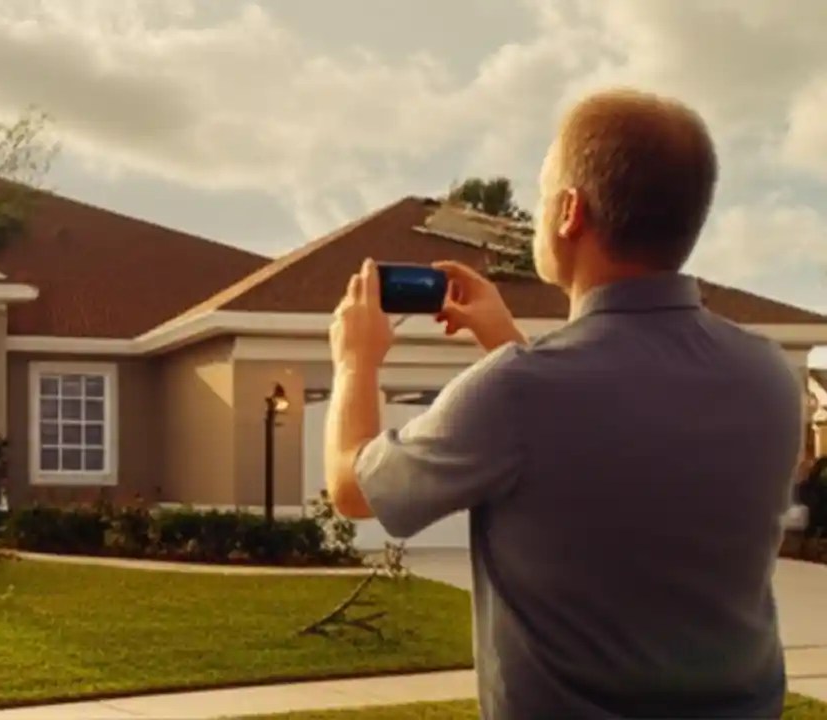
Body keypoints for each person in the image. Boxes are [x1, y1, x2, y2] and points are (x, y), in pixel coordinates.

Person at [324, 89, 803, 719]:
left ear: (570, 212)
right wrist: (503, 337)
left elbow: (353, 488)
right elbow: (607, 440)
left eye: (544, 191)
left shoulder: (519, 392)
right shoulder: (768, 375)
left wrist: (355, 360)